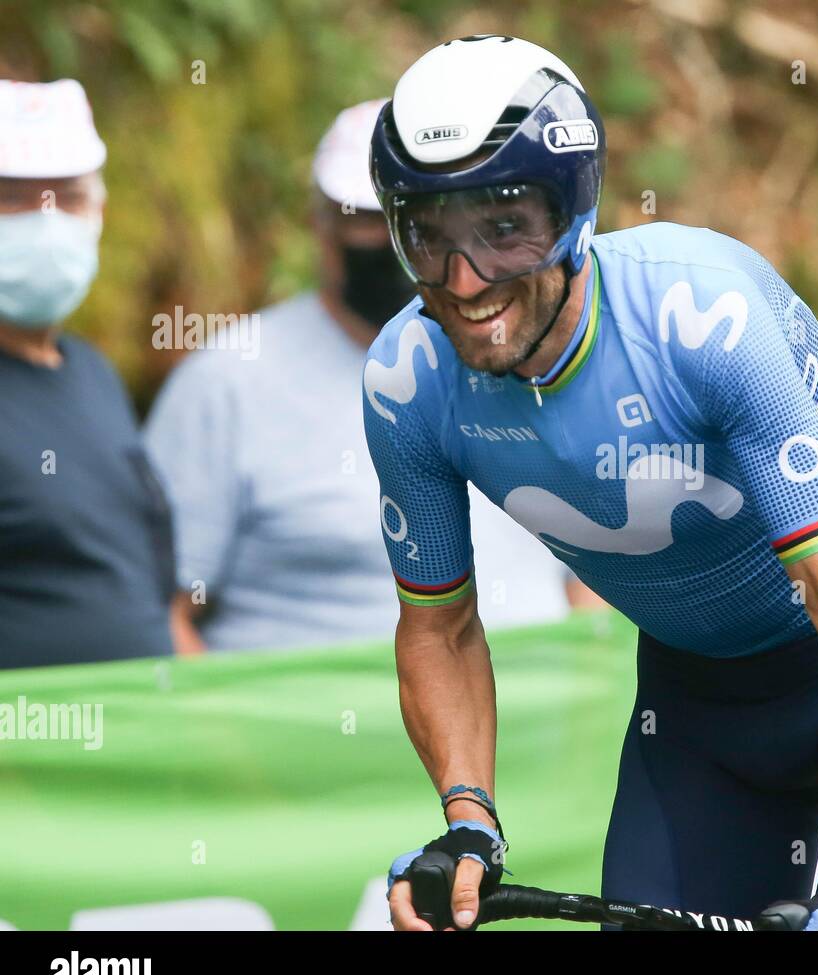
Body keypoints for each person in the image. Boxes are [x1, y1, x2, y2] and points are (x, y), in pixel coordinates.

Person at [373, 36, 818, 932]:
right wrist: (468, 819)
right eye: (428, 237)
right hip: (701, 703)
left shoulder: (701, 319)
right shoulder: (406, 383)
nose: (465, 281)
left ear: (573, 213)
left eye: (504, 228)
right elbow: (438, 625)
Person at [145, 100, 574, 653]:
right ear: (319, 225)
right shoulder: (226, 383)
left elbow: (593, 568)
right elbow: (158, 612)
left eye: (423, 218)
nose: (400, 240)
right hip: (304, 736)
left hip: (546, 730)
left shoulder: (529, 352)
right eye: (370, 218)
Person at [0, 79, 175, 670]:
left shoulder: (92, 373)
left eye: (67, 198)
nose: (45, 223)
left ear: (99, 210)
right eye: (11, 197)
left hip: (136, 739)